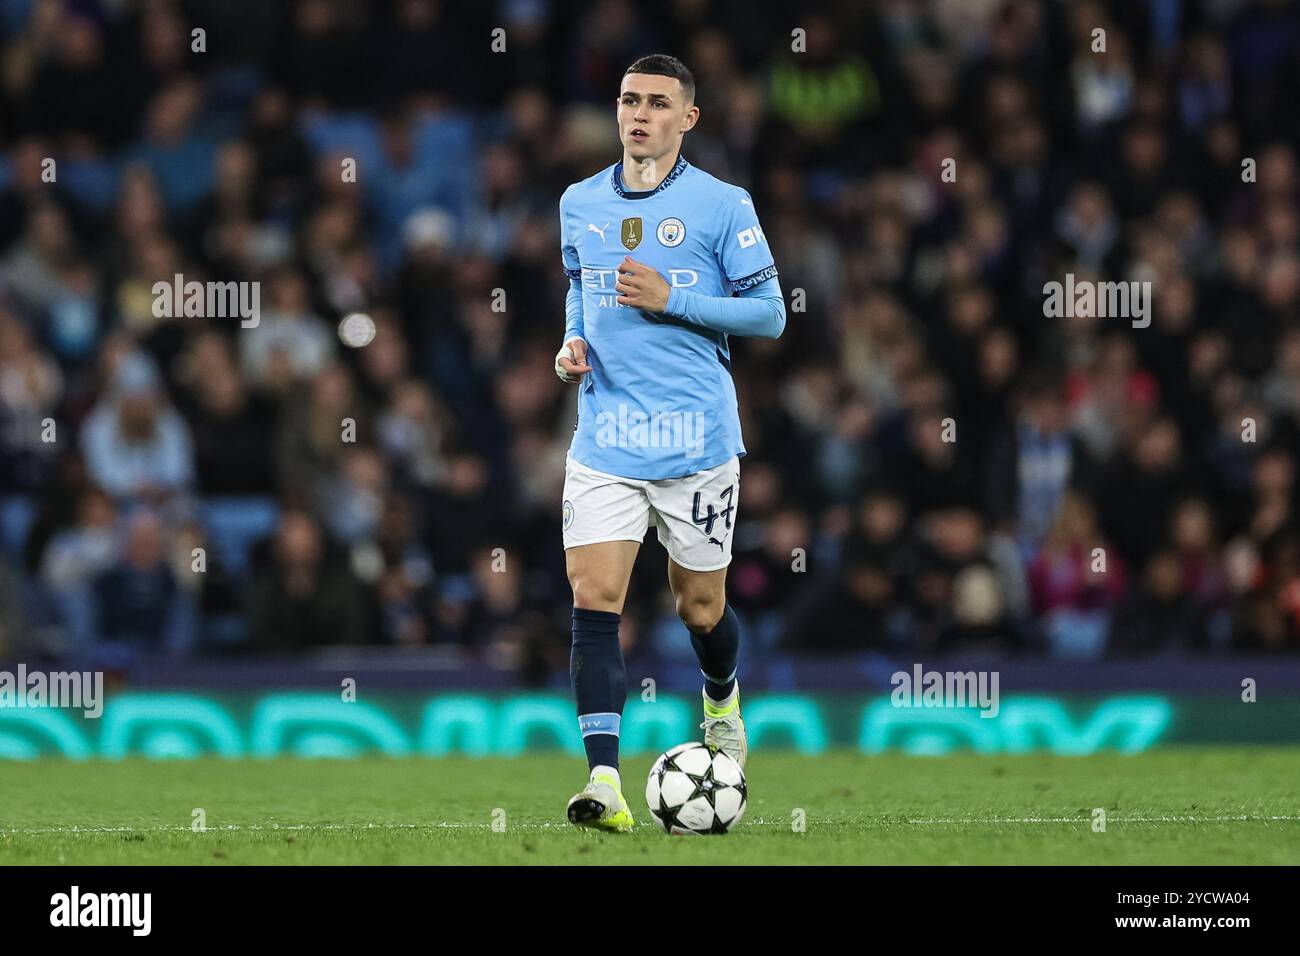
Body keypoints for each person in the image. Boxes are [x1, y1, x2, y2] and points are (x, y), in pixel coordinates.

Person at [553, 54, 786, 831]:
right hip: (606, 437)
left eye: (657, 102)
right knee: (595, 597)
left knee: (700, 607)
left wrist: (673, 296)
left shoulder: (723, 205)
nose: (639, 114)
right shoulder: (579, 202)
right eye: (628, 101)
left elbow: (771, 314)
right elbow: (579, 291)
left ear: (688, 118)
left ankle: (721, 700)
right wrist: (571, 344)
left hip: (695, 442)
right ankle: (605, 784)